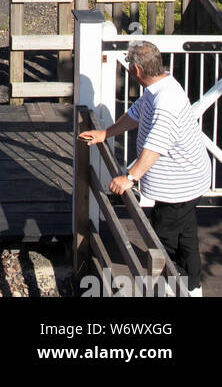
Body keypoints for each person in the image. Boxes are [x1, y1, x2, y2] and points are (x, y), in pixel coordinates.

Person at [80, 40, 210, 296]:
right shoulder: (159, 87)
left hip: (180, 184)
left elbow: (155, 147)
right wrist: (106, 133)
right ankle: (192, 286)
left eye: (129, 65)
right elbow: (136, 113)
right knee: (184, 235)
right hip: (186, 180)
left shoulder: (166, 101)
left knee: (163, 238)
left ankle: (174, 286)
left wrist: (130, 177)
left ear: (137, 71)